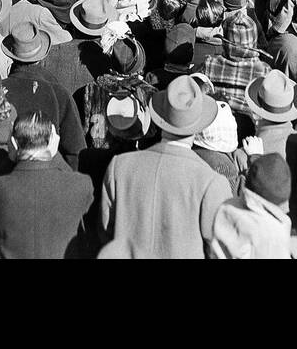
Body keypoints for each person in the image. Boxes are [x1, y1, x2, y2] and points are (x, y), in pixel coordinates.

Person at [99, 75, 232, 258]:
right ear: (200, 122)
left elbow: (106, 232)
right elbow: (221, 251)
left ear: (161, 115)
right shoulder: (212, 182)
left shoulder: (120, 167)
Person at [0, 112, 93, 259]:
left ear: (14, 143)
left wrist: (11, 158)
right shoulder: (81, 185)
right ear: (52, 142)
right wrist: (54, 154)